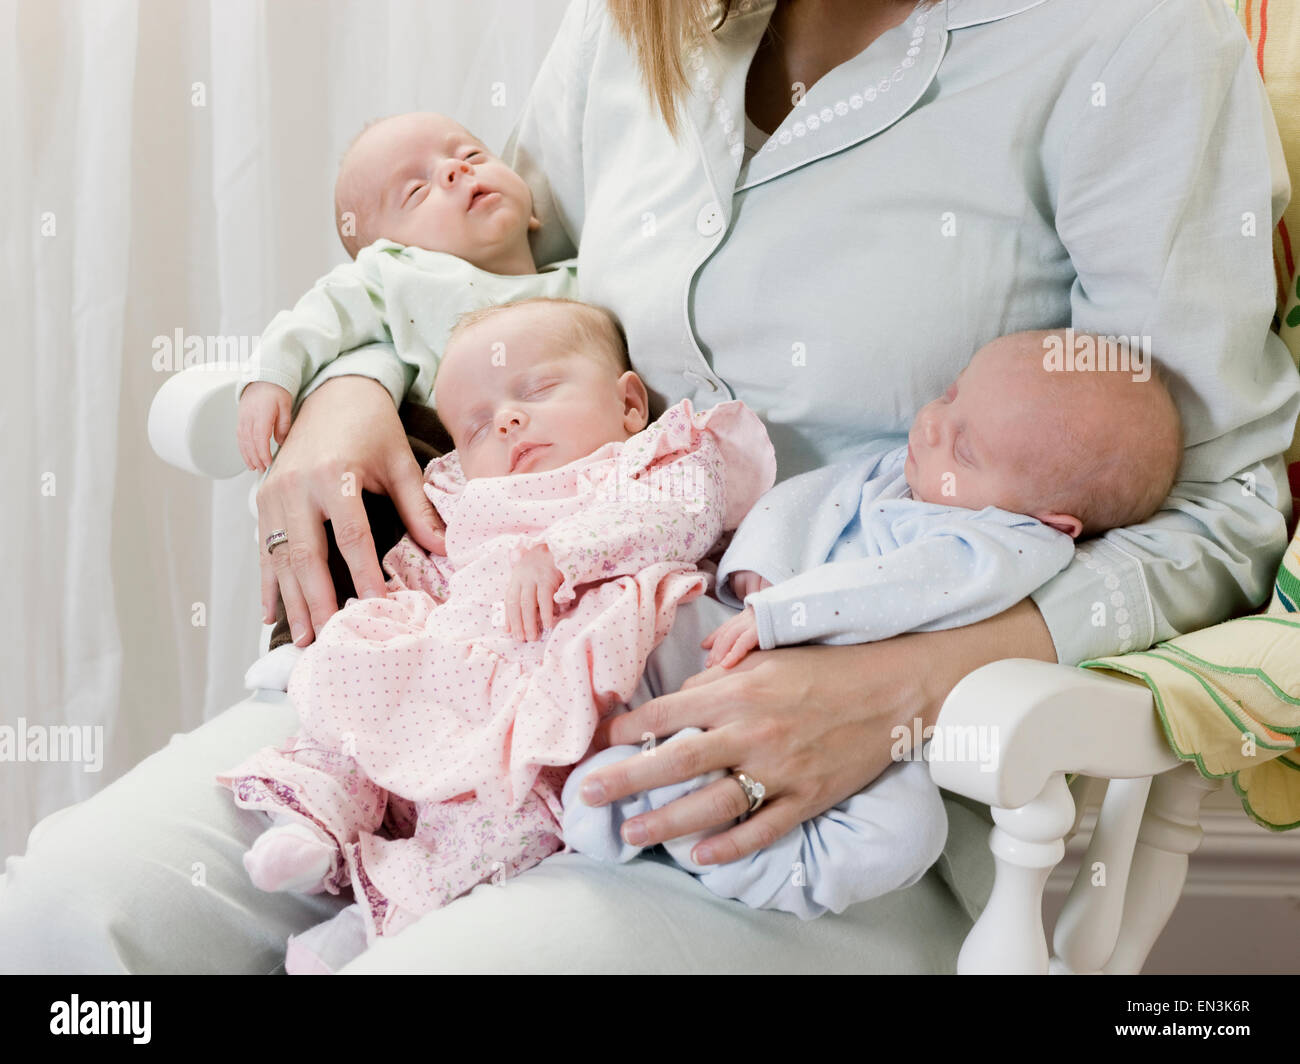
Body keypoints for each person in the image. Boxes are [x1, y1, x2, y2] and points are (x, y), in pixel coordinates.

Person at [2, 0, 1296, 975]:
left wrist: (895, 692)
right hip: (491, 680)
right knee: (67, 914)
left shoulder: (1121, 42)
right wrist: (342, 388)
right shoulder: (641, 32)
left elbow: (1228, 500)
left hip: (826, 784)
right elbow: (490, 277)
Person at [218, 296, 775, 972]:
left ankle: (385, 918)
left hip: (564, 670)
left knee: (505, 810)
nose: (507, 420)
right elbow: (429, 567)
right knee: (365, 679)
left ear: (629, 404)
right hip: (467, 660)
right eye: (477, 426)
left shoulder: (656, 459)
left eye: (537, 389)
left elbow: (682, 519)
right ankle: (323, 819)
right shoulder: (466, 496)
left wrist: (566, 554)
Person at [562, 329, 1183, 919]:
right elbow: (806, 500)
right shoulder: (897, 470)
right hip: (742, 636)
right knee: (659, 612)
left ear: (1054, 518)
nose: (933, 423)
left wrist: (788, 614)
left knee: (908, 832)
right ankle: (601, 744)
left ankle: (716, 845)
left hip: (862, 729)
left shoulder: (1010, 543)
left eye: (965, 449)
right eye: (950, 394)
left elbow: (902, 589)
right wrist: (763, 571)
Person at [234, 111, 579, 684]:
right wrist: (271, 375)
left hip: (542, 472)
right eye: (417, 190)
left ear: (534, 209)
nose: (454, 173)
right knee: (365, 501)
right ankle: (311, 640)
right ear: (386, 250)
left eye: (470, 156)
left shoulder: (576, 284)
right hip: (438, 455)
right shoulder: (402, 275)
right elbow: (323, 312)